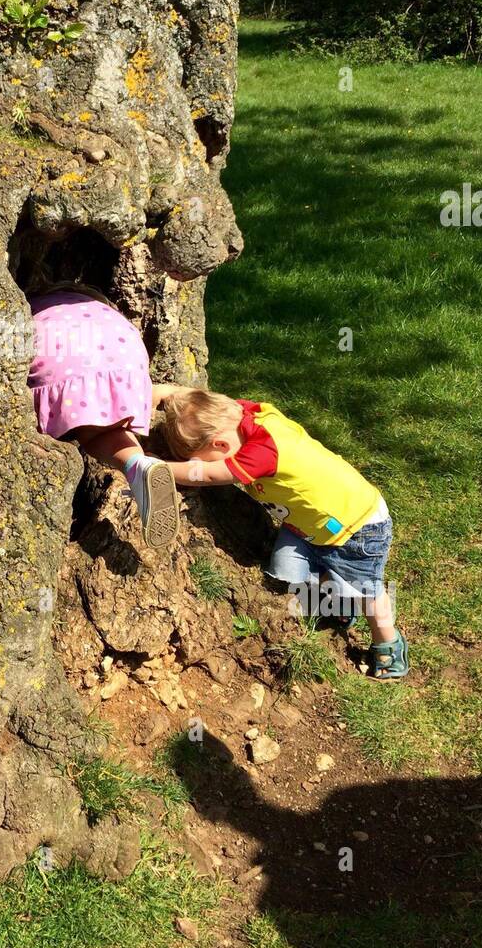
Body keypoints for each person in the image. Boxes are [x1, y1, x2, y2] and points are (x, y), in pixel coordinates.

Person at [156, 386, 408, 679]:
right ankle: (338, 600)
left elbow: (210, 475)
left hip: (358, 528)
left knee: (366, 590)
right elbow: (206, 401)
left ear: (221, 446)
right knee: (285, 572)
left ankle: (388, 643)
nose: (197, 466)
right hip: (307, 527)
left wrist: (158, 468)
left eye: (199, 459)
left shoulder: (260, 453)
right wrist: (169, 393)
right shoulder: (247, 413)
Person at [27, 286, 179, 548]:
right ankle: (138, 465)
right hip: (125, 354)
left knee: (87, 430)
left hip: (65, 358)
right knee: (107, 426)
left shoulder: (30, 308)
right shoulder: (101, 309)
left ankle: (136, 467)